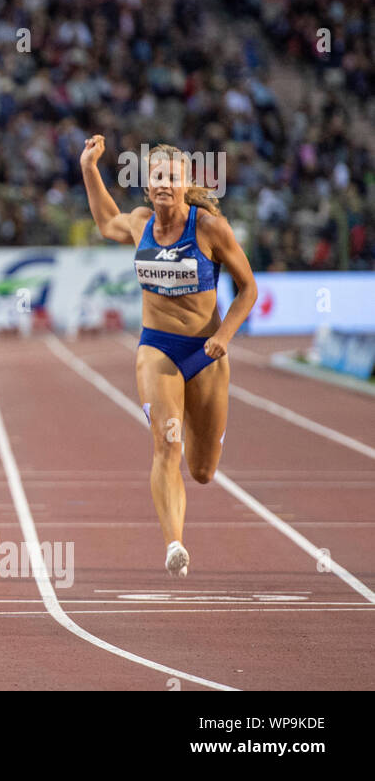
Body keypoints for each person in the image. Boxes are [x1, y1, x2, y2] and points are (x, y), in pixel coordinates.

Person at [80, 136, 257, 577]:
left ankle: (210, 438)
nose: (164, 185)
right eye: (157, 177)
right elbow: (105, 222)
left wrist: (226, 336)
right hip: (157, 348)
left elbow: (249, 288)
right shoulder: (139, 223)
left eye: (172, 178)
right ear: (148, 185)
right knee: (165, 444)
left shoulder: (210, 228)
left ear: (185, 185)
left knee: (201, 470)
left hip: (206, 350)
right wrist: (89, 168)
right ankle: (174, 543)